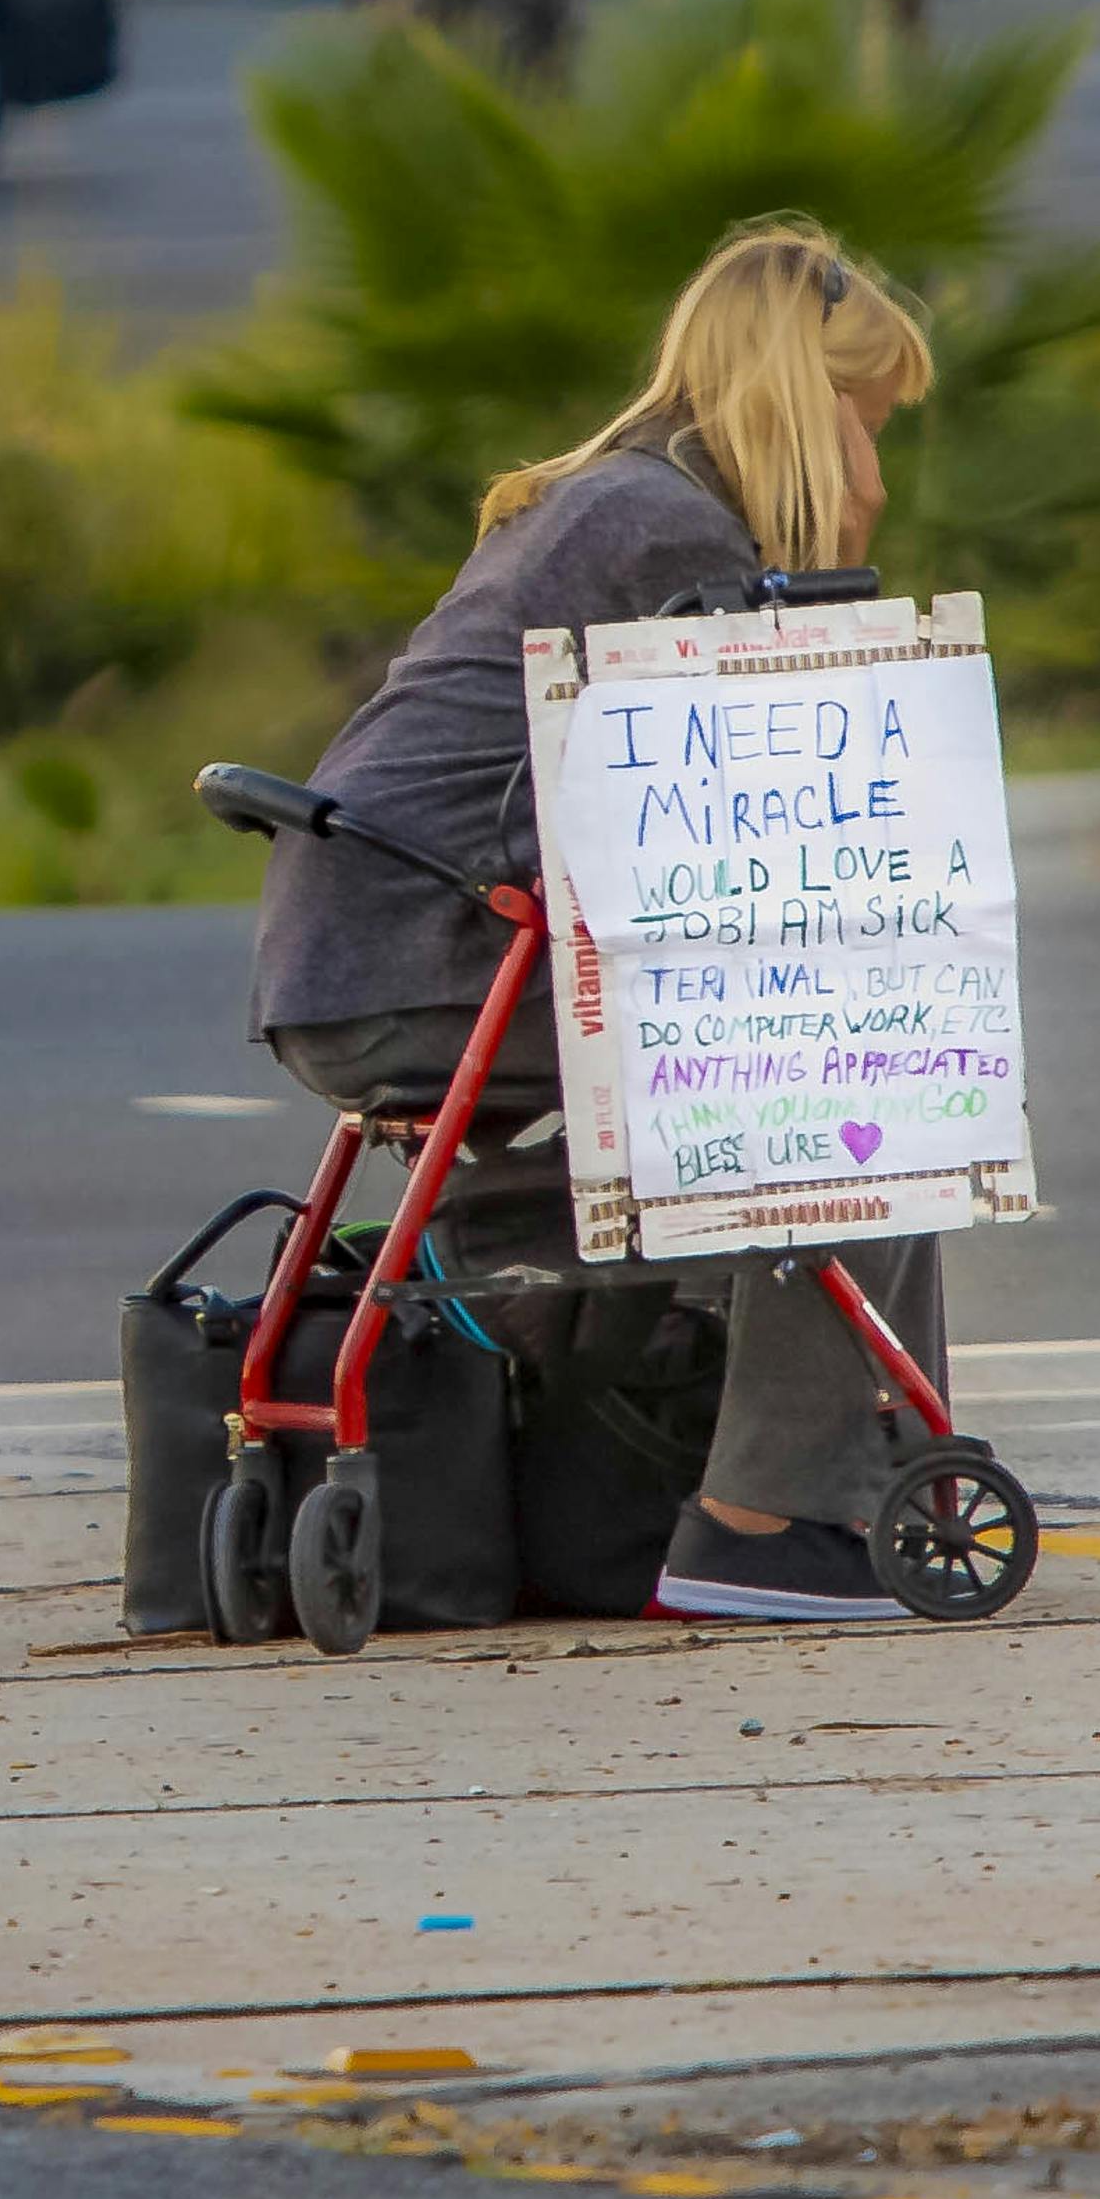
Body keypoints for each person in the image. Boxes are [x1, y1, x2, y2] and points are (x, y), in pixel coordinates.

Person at [250, 218, 948, 1622]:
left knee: (813, 1072)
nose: (875, 458)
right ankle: (771, 1519)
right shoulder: (669, 533)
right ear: (810, 407)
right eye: (868, 422)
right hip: (446, 961)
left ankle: (772, 1472)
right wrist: (846, 545)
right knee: (874, 1086)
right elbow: (784, 815)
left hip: (350, 958)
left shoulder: (599, 501)